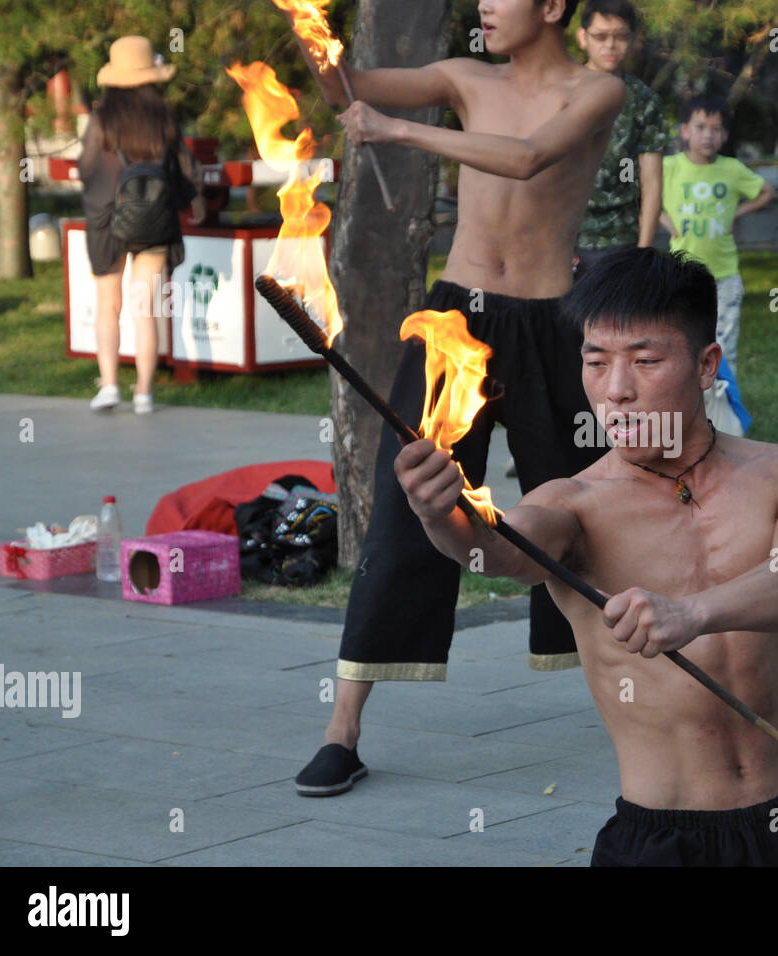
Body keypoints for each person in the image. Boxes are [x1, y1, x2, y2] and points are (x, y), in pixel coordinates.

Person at [392, 247, 778, 866]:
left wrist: (691, 614)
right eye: (595, 363)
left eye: (645, 361)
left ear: (707, 364)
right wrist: (441, 513)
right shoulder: (574, 505)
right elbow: (493, 546)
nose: (616, 390)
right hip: (665, 842)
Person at [289, 0, 627, 795]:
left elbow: (525, 157)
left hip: (554, 326)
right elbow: (351, 88)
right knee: (405, 501)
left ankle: (643, 710)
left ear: (551, 7)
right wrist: (314, 36)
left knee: (590, 512)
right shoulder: (462, 76)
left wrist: (399, 132)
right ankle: (342, 731)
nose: (484, 4)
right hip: (453, 322)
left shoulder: (599, 91)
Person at [78, 36, 201, 415]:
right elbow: (184, 170)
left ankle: (110, 386)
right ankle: (145, 394)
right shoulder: (163, 118)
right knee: (145, 308)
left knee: (107, 305)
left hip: (105, 221)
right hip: (156, 219)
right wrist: (192, 201)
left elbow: (86, 169)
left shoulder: (101, 119)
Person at [660, 94, 774, 376]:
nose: (707, 135)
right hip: (682, 276)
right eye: (700, 127)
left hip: (723, 277)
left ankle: (722, 414)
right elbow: (641, 196)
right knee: (681, 346)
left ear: (724, 135)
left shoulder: (732, 170)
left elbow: (766, 192)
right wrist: (665, 222)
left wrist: (735, 213)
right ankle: (689, 409)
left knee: (723, 350)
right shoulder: (669, 167)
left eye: (715, 129)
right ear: (685, 130)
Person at [571, 0, 670, 277]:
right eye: (600, 36)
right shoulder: (560, 91)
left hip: (621, 241)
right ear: (582, 37)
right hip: (561, 238)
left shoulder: (644, 101)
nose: (610, 45)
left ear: (634, 39)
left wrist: (643, 252)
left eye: (620, 36)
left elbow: (652, 183)